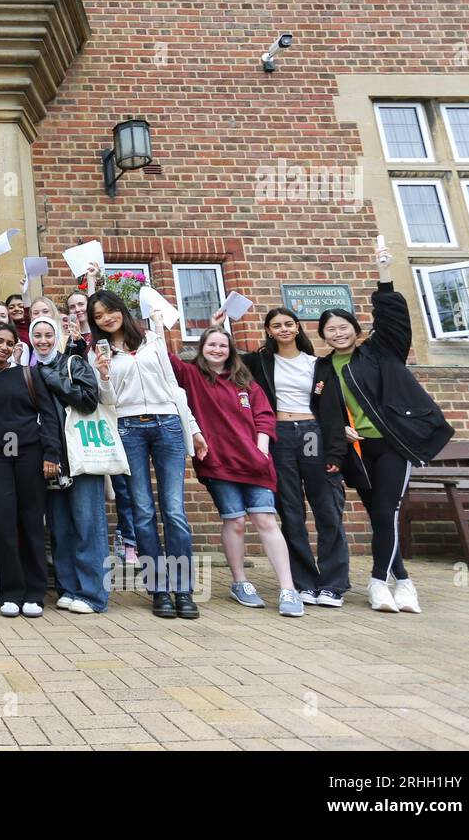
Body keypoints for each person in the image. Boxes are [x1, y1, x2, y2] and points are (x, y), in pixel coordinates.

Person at [313, 241, 453, 614]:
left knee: (387, 511)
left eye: (343, 327)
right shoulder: (323, 369)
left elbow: (393, 318)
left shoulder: (379, 351)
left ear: (355, 329)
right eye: (330, 330)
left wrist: (384, 274)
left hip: (391, 444)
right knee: (379, 515)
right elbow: (322, 410)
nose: (337, 334)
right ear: (323, 336)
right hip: (358, 452)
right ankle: (404, 582)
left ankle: (378, 583)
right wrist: (340, 429)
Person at [167, 325, 303, 616]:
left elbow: (264, 415)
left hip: (255, 463)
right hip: (219, 463)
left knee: (266, 520)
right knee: (236, 522)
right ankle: (240, 582)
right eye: (211, 345)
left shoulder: (245, 382)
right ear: (201, 348)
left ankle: (288, 588)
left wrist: (262, 448)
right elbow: (168, 360)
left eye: (223, 346)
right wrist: (157, 321)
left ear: (230, 351)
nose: (217, 350)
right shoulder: (192, 377)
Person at [89, 290, 206, 619]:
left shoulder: (153, 339)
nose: (106, 318)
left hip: (167, 423)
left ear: (120, 309)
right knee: (141, 512)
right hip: (128, 428)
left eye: (109, 310)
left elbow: (174, 388)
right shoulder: (99, 352)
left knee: (174, 511)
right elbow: (106, 401)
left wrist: (193, 429)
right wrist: (103, 374)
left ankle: (183, 590)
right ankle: (158, 590)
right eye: (98, 316)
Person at [233, 305, 351, 607]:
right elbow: (226, 360)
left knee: (325, 505)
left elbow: (335, 412)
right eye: (276, 325)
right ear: (268, 331)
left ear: (297, 327)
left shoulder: (318, 364)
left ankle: (333, 584)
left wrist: (336, 452)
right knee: (291, 509)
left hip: (311, 433)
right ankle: (304, 582)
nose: (283, 329)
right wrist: (221, 326)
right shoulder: (261, 362)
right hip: (280, 435)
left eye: (288, 324)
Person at [0, 324, 60, 617]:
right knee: (2, 523)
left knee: (30, 521)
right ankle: (11, 592)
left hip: (30, 453)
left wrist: (51, 453)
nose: (3, 347)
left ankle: (34, 592)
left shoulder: (27, 374)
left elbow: (49, 415)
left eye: (9, 343)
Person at [30, 316, 110, 615]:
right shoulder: (30, 371)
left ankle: (93, 594)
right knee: (61, 526)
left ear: (58, 336)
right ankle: (68, 587)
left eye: (48, 335)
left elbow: (89, 400)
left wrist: (54, 379)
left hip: (81, 454)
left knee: (87, 525)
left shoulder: (73, 363)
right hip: (53, 459)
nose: (43, 341)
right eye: (36, 336)